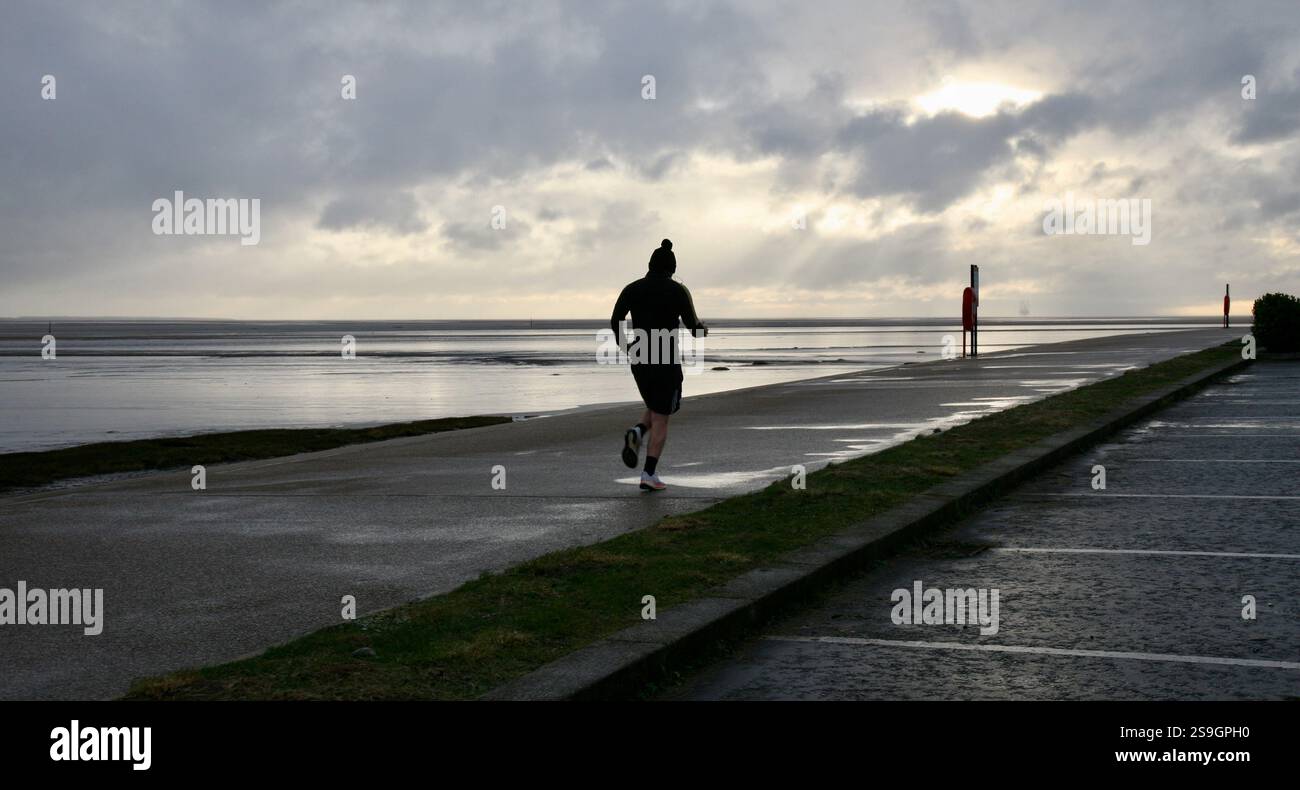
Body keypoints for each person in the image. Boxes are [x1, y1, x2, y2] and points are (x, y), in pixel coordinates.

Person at [609, 239, 706, 491]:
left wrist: (626, 346)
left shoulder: (632, 288)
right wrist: (704, 330)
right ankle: (648, 474)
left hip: (639, 357)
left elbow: (615, 319)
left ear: (650, 265)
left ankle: (638, 433)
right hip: (666, 359)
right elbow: (693, 327)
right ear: (672, 268)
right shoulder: (678, 290)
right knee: (662, 416)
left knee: (655, 406)